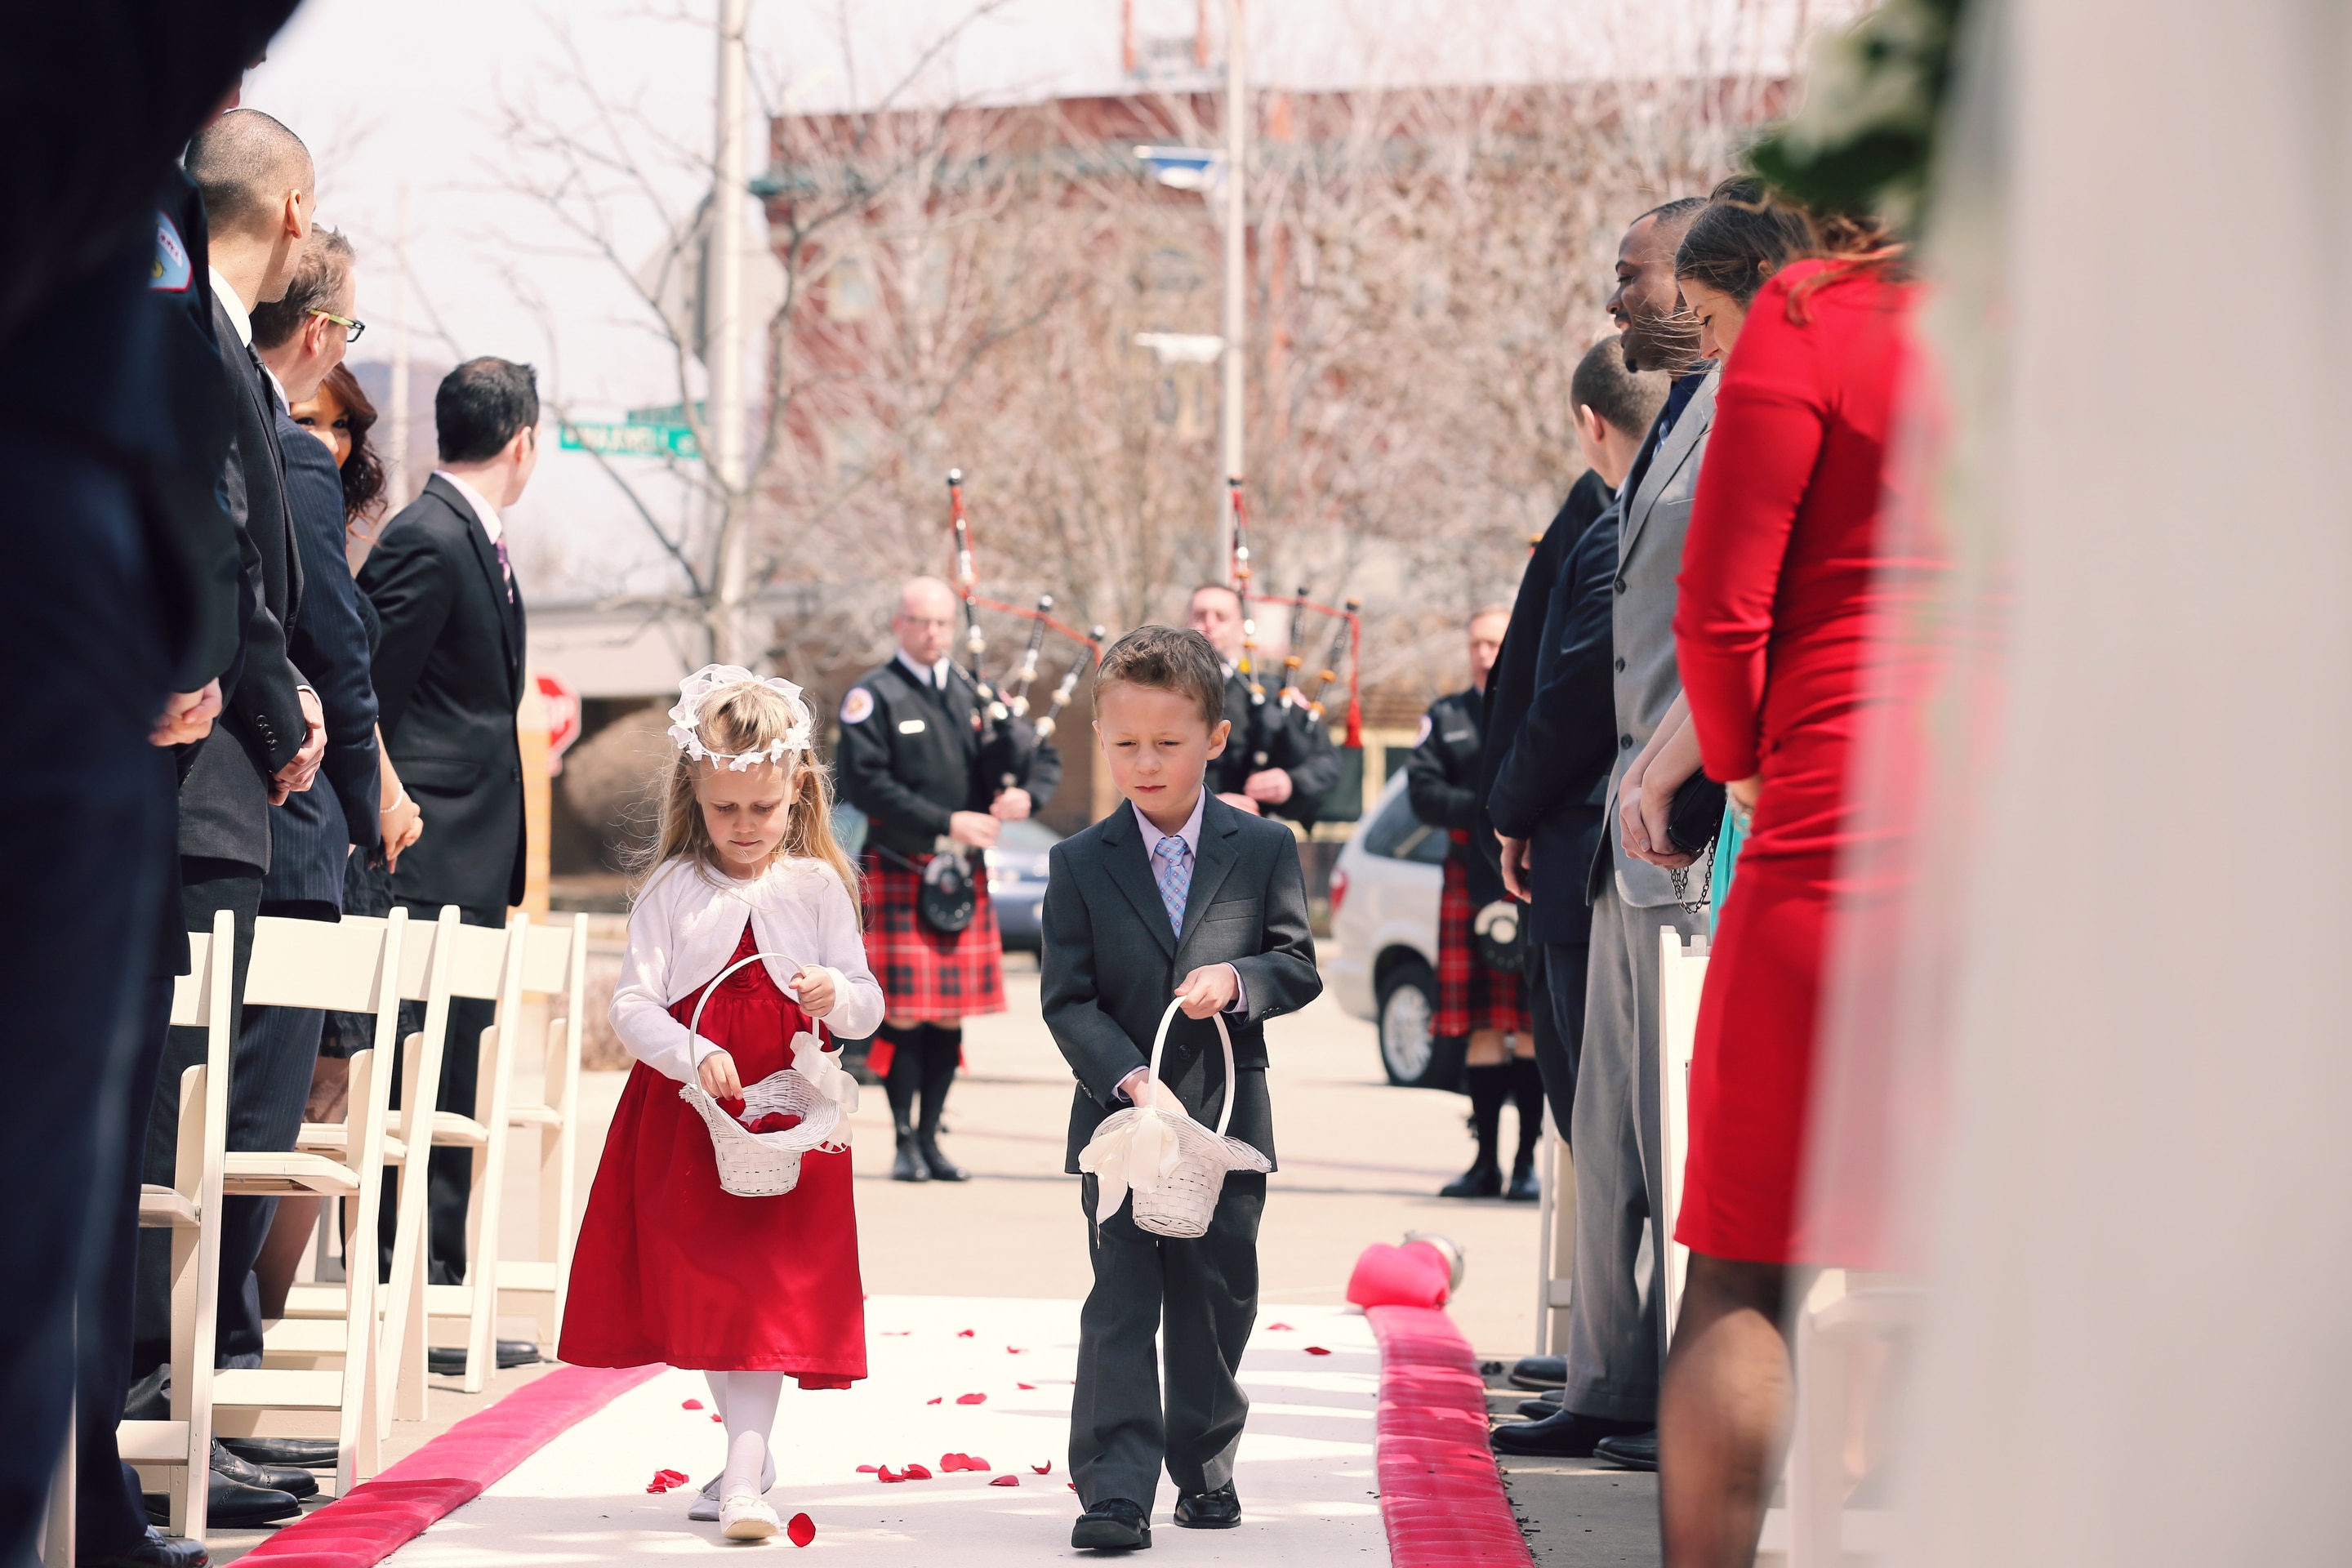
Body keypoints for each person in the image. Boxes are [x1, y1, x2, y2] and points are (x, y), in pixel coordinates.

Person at [2, 11, 299, 1562]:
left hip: (125, 665)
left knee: (85, 1158)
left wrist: (189, 630)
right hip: (53, 606)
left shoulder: (165, 208)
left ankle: (87, 1492)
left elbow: (199, 461)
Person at [1656, 215, 1913, 1568]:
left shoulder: (1813, 315)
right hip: (2054, 837)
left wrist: (1750, 769)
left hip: (1849, 816)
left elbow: (1721, 604)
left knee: (1748, 1262)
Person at [132, 105, 332, 1531]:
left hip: (201, 762)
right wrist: (268, 703)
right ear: (292, 214)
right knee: (156, 1115)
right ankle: (147, 1396)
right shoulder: (181, 327)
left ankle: (164, 1399)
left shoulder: (202, 332)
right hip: (179, 774)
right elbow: (212, 535)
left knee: (178, 1118)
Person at [1490, 194, 1714, 1465]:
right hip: (1630, 819)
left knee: (1667, 1127)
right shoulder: (1675, 415)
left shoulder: (1737, 407)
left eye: (1634, 274)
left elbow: (1711, 624)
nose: (1616, 299)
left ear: (1701, 277)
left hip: (1678, 816)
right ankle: (1618, 1380)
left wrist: (1665, 771)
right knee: (1614, 1122)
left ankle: (1673, 1381)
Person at [559, 668, 882, 1541]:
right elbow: (632, 1004)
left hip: (786, 1111)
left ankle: (744, 1478)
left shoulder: (815, 887)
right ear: (694, 796)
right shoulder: (672, 889)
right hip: (691, 1114)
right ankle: (751, 1454)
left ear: (797, 794)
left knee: (765, 1290)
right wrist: (693, 1049)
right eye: (726, 811)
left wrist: (833, 997)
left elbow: (865, 998)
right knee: (707, 1289)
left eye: (765, 809)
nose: (747, 829)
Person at [1040, 625, 1321, 1552]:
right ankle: (1114, 1490)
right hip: (1121, 1125)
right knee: (1121, 1294)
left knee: (1215, 1295)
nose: (1146, 762)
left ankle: (1204, 1462)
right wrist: (1131, 1079)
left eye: (1168, 742)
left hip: (1229, 1118)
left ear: (1215, 739)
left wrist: (1239, 982)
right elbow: (1068, 999)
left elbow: (1295, 962)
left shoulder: (1265, 845)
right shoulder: (1078, 863)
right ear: (1098, 737)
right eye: (1125, 744)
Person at [358, 357, 537, 1303]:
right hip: (423, 861)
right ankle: (398, 1279)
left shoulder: (478, 538)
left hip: (471, 863)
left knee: (456, 1080)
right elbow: (368, 696)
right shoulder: (428, 537)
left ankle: (446, 1279)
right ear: (525, 442)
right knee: (410, 1083)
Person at [833, 577, 1059, 1183]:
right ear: (897, 625)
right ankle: (904, 1141)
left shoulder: (974, 694)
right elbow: (864, 785)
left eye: (942, 624)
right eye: (920, 622)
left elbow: (1036, 756)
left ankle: (932, 1139)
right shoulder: (872, 697)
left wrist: (1022, 795)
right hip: (903, 866)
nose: (933, 634)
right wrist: (946, 819)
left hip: (961, 875)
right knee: (904, 1012)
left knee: (947, 1015)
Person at [1410, 605, 1542, 1200]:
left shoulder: (1536, 708)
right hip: (1468, 882)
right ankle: (1485, 1163)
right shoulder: (1447, 717)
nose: (1486, 655)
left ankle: (1526, 1167)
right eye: (1477, 646)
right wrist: (1489, 807)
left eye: (1495, 644)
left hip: (1530, 884)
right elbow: (1422, 793)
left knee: (1531, 1026)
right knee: (1483, 1029)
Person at [1183, 584, 1342, 823]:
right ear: (1186, 623)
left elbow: (1326, 762)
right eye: (1200, 615)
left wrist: (1291, 782)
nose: (1210, 625)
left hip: (1252, 838)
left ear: (1242, 627)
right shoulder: (1162, 690)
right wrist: (1206, 805)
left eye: (1221, 617)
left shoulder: (1271, 693)